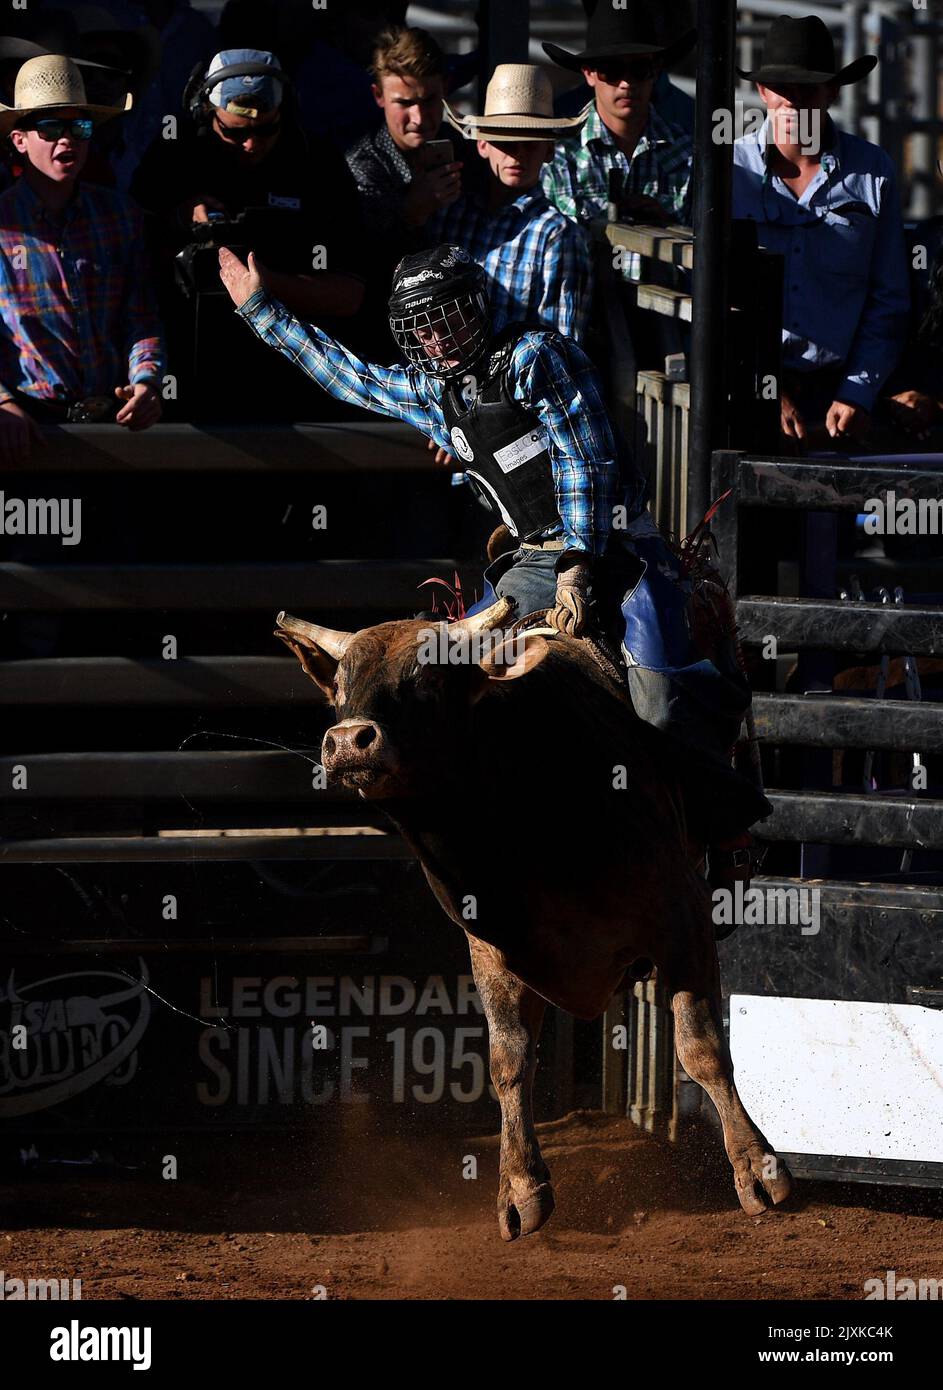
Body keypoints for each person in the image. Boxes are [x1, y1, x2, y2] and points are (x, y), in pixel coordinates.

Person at [218, 240, 769, 890]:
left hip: (616, 547)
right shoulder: (432, 389)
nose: (440, 337)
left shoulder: (536, 356)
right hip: (525, 558)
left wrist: (577, 561)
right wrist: (263, 312)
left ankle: (721, 830)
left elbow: (583, 458)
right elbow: (349, 375)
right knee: (462, 680)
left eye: (449, 320)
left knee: (661, 676)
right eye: (424, 327)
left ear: (476, 310)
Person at [131, 47, 367, 418]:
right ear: (205, 113)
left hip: (292, 385)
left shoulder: (316, 162)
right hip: (190, 377)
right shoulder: (174, 154)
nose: (251, 144)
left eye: (266, 129)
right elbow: (123, 256)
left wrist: (259, 287)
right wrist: (178, 218)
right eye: (235, 131)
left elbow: (350, 294)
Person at [732, 15, 910, 446]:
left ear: (832, 92)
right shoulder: (729, 170)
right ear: (762, 92)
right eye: (781, 89)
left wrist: (858, 390)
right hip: (743, 387)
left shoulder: (873, 171)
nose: (792, 103)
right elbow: (709, 296)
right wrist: (761, 384)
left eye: (807, 89)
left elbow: (889, 296)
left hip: (840, 393)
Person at [0, 54, 163, 466]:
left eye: (80, 126)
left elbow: (140, 316)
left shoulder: (120, 216)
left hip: (115, 428)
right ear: (19, 140)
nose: (67, 139)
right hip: (24, 431)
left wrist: (145, 381)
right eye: (51, 126)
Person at [435, 63, 593, 342]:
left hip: (516, 382)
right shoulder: (449, 214)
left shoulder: (556, 235)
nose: (517, 154)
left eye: (530, 143)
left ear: (549, 150)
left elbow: (561, 347)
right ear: (482, 145)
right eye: (505, 142)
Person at [540, 5, 695, 282]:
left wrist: (670, 229)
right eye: (611, 70)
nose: (626, 83)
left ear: (655, 71)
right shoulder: (558, 157)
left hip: (669, 318)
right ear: (589, 74)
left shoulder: (689, 156)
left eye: (639, 68)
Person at [345, 26, 462, 267]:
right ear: (379, 96)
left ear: (445, 88)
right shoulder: (362, 165)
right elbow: (357, 262)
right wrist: (410, 213)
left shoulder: (465, 149)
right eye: (404, 103)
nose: (419, 117)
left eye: (429, 100)